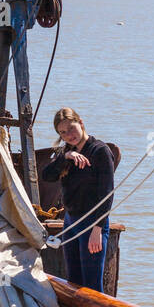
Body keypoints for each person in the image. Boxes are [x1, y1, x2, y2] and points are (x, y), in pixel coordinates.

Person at [41, 108, 115, 292]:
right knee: (73, 281)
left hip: (92, 223)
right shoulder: (68, 153)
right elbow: (47, 176)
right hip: (71, 221)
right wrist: (66, 156)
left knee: (91, 284)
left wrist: (97, 229)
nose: (69, 135)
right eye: (63, 133)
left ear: (81, 122)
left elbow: (107, 193)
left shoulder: (100, 151)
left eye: (71, 128)